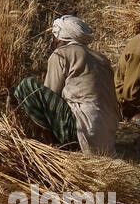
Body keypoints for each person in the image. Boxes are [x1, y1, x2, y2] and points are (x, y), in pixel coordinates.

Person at [10, 15, 120, 156]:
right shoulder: (102, 59)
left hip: (82, 131)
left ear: (62, 37)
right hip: (107, 138)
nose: (54, 41)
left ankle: (53, 147)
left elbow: (50, 95)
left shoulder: (61, 54)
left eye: (55, 37)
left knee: (27, 86)